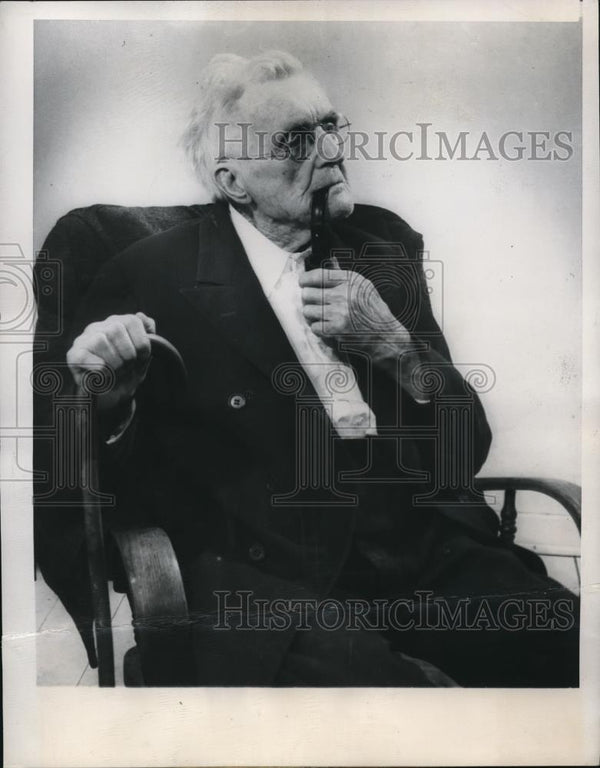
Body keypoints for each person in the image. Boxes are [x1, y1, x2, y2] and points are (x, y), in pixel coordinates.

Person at [37, 50, 578, 686]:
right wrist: (111, 404)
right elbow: (77, 483)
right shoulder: (147, 273)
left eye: (330, 125)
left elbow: (464, 450)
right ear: (234, 182)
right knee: (397, 709)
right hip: (272, 582)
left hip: (419, 549)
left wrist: (396, 347)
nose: (331, 149)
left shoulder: (382, 252)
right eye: (297, 139)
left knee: (566, 648)